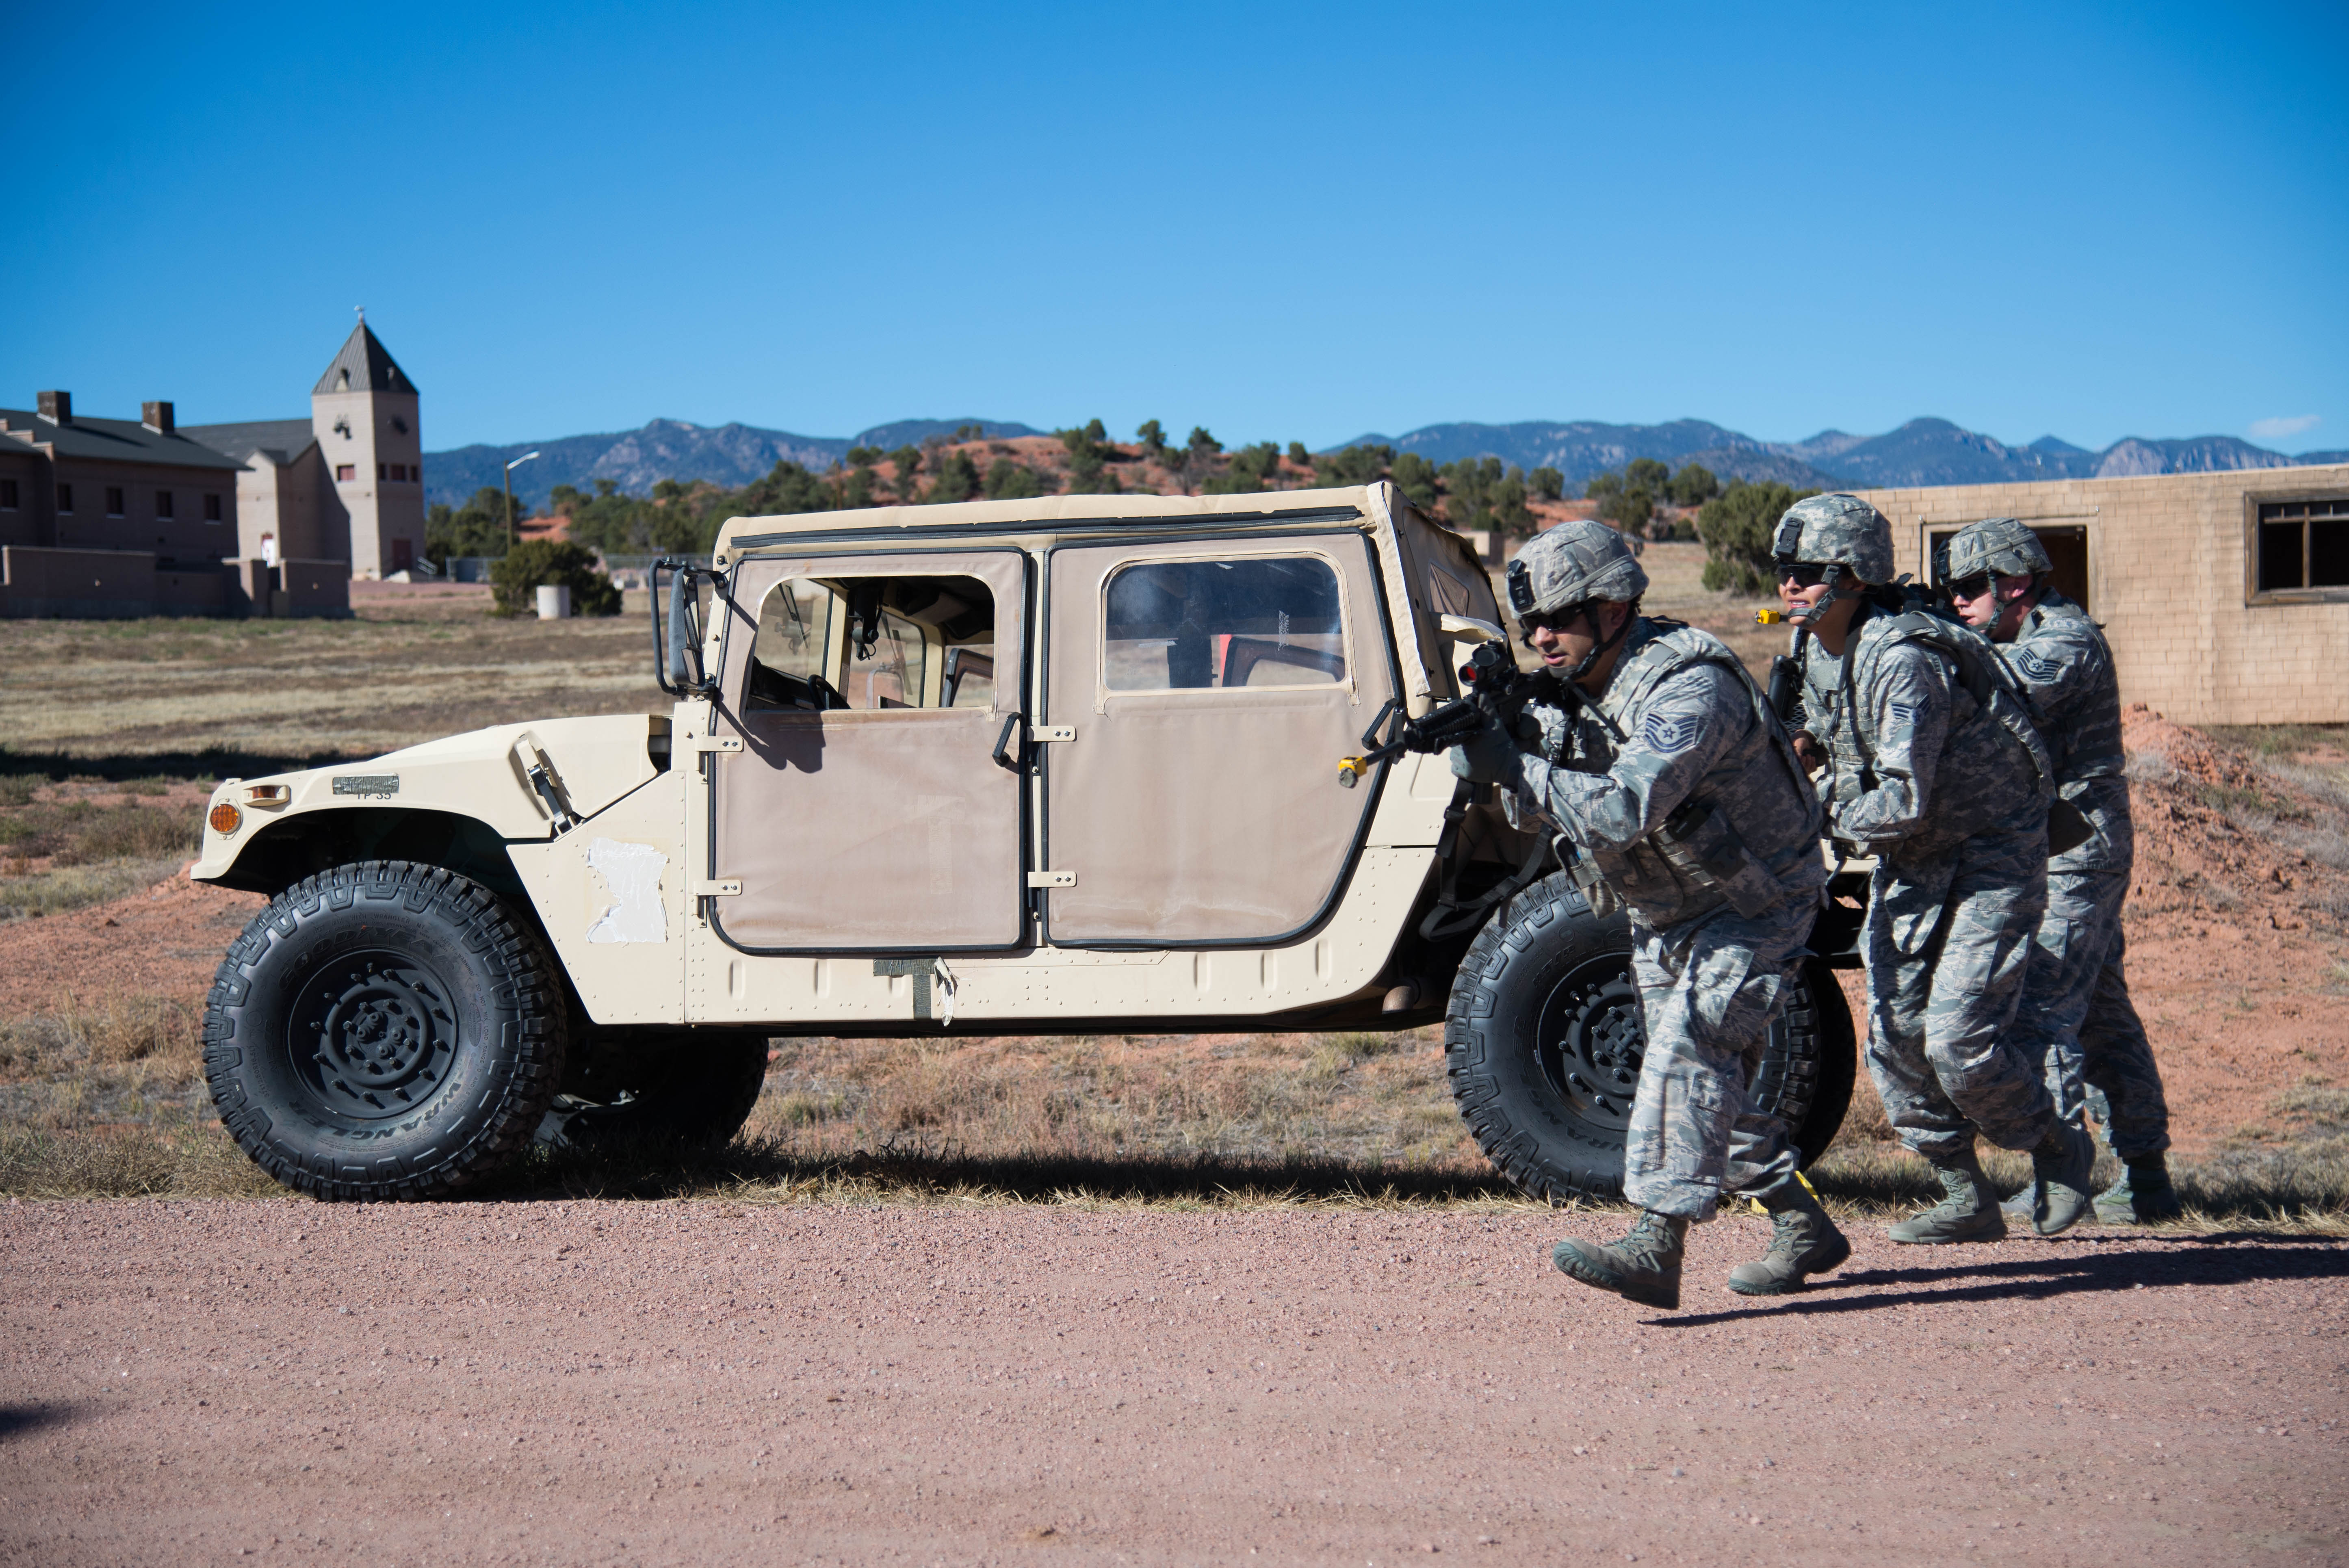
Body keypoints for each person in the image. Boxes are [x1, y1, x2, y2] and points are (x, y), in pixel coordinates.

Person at [1450, 519, 1847, 1310]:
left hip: (1752, 900)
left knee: (1685, 1053)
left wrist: (1517, 762)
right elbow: (1544, 814)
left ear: (1612, 607)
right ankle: (1802, 1225)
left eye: (1558, 619)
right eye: (1531, 625)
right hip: (1666, 903)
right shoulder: (1578, 690)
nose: (1541, 637)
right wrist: (1495, 750)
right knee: (1705, 1084)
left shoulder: (1685, 683)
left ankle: (1654, 1244)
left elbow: (1623, 807)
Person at [1773, 494, 2095, 1241]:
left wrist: (1811, 812)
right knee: (1896, 1032)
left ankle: (2055, 1144)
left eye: (1805, 572)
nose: (1787, 586)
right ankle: (1965, 1195)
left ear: (1853, 575)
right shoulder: (1810, 650)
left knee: (1959, 1041)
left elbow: (1903, 799)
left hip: (1990, 853)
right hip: (1914, 861)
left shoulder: (1903, 660)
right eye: (1782, 571)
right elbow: (1821, 740)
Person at [1943, 518, 2179, 1224]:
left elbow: (1998, 696)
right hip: (2064, 846)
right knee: (2104, 1017)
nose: (1956, 602)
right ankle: (2146, 1179)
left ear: (2011, 583)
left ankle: (2060, 1172)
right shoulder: (2030, 633)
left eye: (1964, 589)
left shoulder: (2064, 640)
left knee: (2041, 1006)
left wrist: (1927, 646)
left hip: (2079, 851)